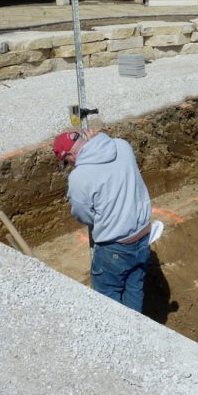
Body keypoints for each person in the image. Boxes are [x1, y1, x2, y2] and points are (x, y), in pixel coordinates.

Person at [53, 128, 152, 312]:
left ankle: (117, 329)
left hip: (115, 247)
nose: (71, 166)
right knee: (134, 288)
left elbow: (83, 215)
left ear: (70, 156)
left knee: (107, 298)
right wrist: (100, 141)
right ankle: (135, 327)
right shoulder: (122, 146)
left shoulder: (79, 177)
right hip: (144, 235)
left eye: (67, 162)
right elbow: (109, 150)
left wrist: (103, 219)